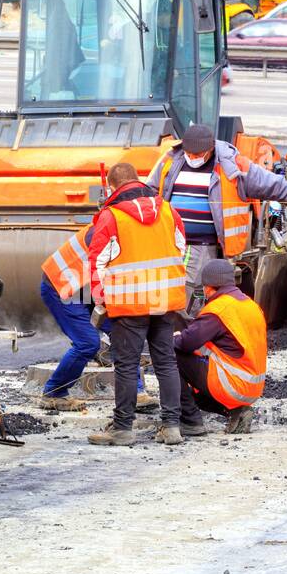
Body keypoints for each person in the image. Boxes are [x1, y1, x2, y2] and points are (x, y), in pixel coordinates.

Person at [147, 123, 287, 314]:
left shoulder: (232, 165)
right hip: (170, 242)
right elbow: (150, 190)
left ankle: (188, 334)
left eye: (197, 155)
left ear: (210, 149)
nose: (192, 159)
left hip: (202, 245)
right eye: (188, 154)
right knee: (168, 291)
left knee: (189, 294)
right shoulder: (171, 160)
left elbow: (271, 184)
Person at [86, 163, 188, 446]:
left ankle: (123, 429)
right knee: (166, 362)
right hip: (165, 300)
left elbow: (97, 262)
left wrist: (101, 298)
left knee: (127, 365)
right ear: (138, 180)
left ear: (112, 186)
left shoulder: (111, 217)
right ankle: (171, 427)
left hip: (129, 304)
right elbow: (181, 247)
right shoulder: (168, 210)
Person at [38, 226, 157, 412]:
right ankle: (54, 393)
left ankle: (135, 392)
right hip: (62, 286)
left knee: (124, 333)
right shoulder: (107, 231)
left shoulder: (124, 229)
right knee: (87, 343)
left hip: (87, 288)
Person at [174, 258, 267, 436]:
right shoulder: (250, 304)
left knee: (168, 354)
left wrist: (174, 339)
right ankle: (237, 412)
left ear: (208, 286)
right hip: (252, 387)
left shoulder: (218, 310)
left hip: (232, 385)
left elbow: (187, 343)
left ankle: (190, 419)